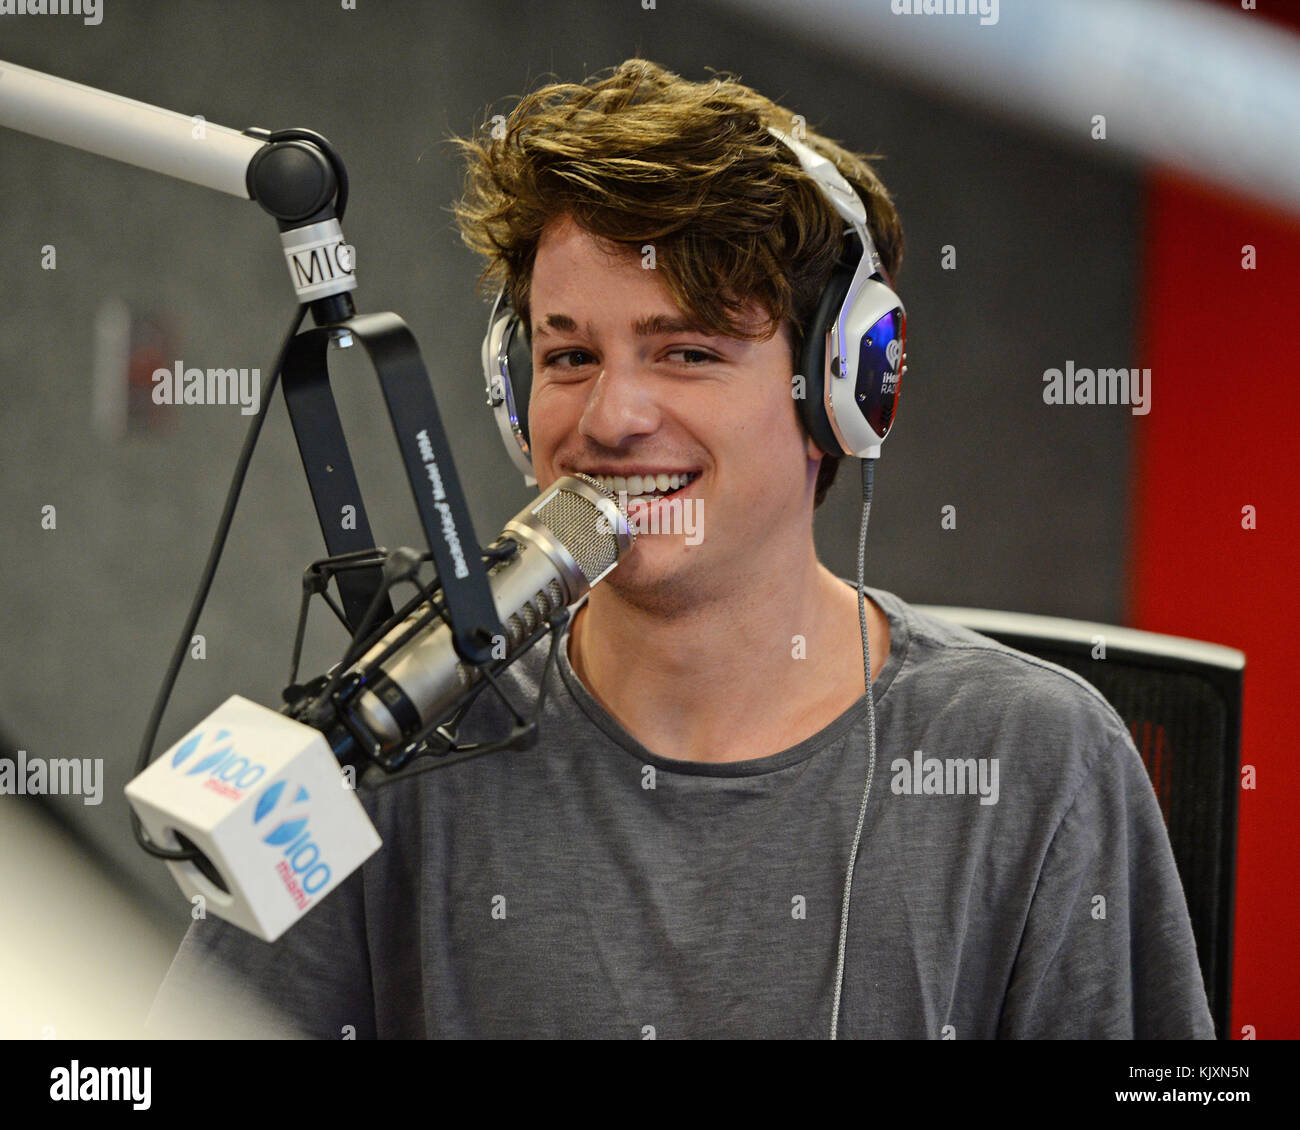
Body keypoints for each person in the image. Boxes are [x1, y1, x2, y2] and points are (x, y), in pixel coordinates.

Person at [147, 59, 1214, 1039]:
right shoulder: (393, 733)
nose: (610, 417)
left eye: (689, 350)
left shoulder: (1030, 760)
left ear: (845, 388)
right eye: (569, 353)